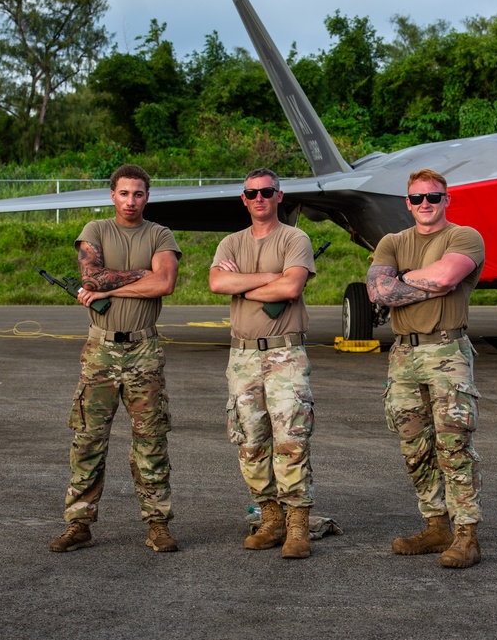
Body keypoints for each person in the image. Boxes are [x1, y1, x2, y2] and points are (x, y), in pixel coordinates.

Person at [49, 163, 182, 554]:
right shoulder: (95, 230)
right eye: (124, 193)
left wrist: (112, 286)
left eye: (138, 194)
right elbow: (91, 279)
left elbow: (165, 282)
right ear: (112, 195)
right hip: (101, 351)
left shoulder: (160, 234)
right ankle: (79, 524)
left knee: (151, 439)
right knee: (88, 439)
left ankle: (158, 524)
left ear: (147, 196)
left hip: (144, 350)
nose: (131, 201)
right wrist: (141, 275)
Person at [366, 168, 486, 569]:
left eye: (433, 197)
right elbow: (377, 291)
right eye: (417, 198)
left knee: (453, 446)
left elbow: (448, 276)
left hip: (446, 351)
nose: (425, 204)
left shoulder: (463, 237)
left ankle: (466, 536)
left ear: (446, 200)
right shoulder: (392, 242)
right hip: (403, 355)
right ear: (408, 202)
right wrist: (424, 282)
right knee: (414, 447)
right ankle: (436, 526)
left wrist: (400, 280)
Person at [208, 168, 317, 559]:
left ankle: (298, 524)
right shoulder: (230, 243)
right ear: (244, 198)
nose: (259, 198)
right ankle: (271, 518)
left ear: (279, 196)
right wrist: (269, 277)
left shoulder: (294, 238)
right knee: (250, 440)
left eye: (267, 192)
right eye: (252, 193)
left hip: (284, 353)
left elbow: (291, 286)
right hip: (242, 356)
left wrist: (244, 283)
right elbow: (217, 283)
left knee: (291, 438)